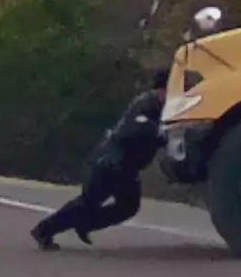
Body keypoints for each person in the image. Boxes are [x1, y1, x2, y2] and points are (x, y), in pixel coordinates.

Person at [30, 68, 169, 251]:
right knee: (88, 203)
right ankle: (44, 230)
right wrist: (161, 134)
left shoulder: (160, 107)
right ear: (163, 89)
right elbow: (134, 129)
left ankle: (86, 224)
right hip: (111, 163)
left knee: (128, 206)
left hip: (126, 166)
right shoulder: (147, 103)